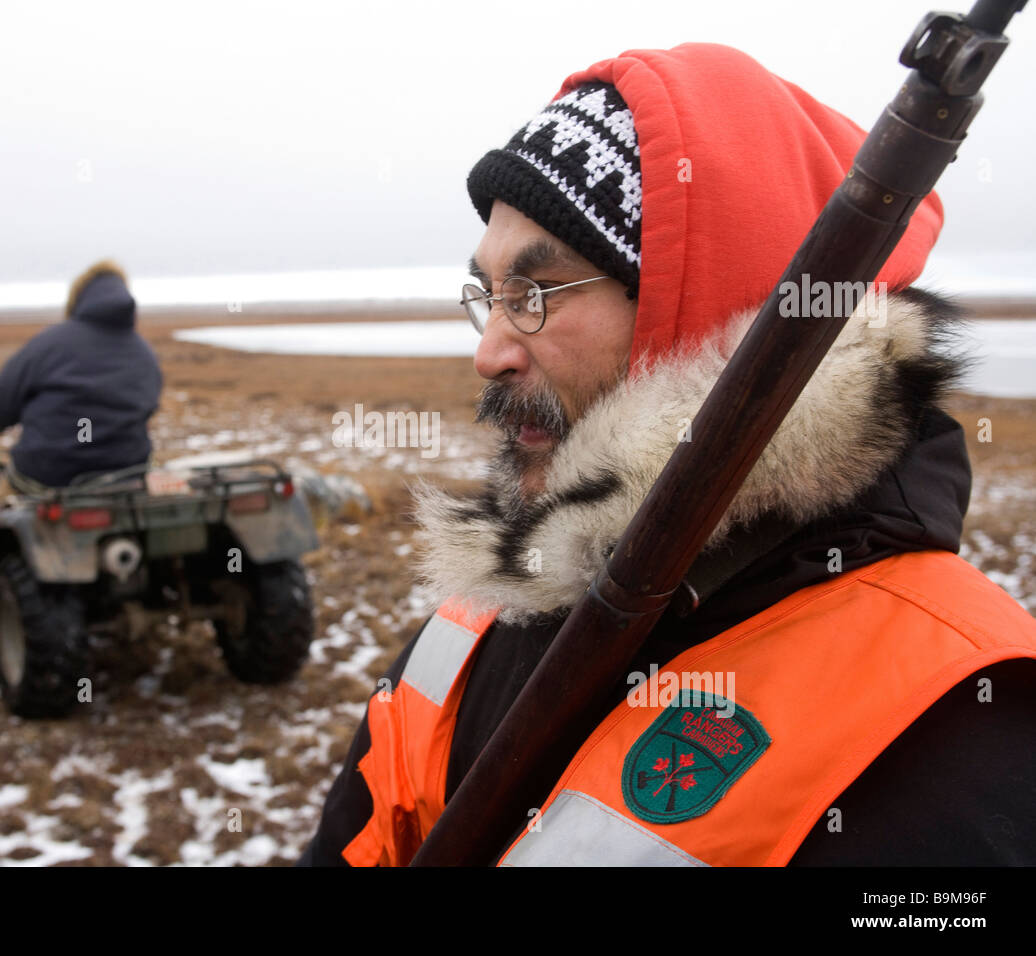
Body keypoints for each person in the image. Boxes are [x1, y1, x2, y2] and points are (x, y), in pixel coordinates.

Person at [298, 43, 1036, 866]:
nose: (490, 352)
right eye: (491, 297)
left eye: (535, 295)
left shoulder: (960, 725)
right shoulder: (480, 613)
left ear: (709, 319)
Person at [0, 260, 162, 497]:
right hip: (126, 475)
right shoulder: (143, 353)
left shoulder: (49, 344)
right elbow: (149, 406)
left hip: (47, 477)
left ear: (79, 297)